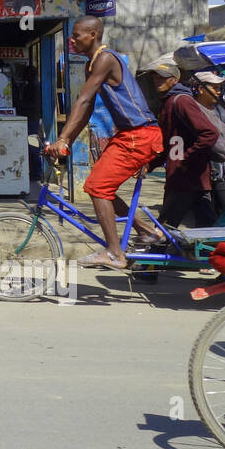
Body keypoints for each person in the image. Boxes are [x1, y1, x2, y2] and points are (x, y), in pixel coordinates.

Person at [44, 17, 163, 269]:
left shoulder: (105, 58)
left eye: (77, 35)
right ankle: (146, 232)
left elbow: (84, 101)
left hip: (138, 135)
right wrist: (65, 142)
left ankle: (114, 253)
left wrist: (63, 138)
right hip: (129, 135)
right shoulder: (93, 64)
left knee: (98, 188)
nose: (72, 40)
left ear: (93, 34)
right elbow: (85, 111)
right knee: (98, 186)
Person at [142, 61, 218, 229]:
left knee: (165, 226)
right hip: (184, 176)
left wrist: (185, 160)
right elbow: (168, 143)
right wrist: (150, 164)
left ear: (174, 80)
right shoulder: (168, 103)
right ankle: (211, 253)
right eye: (155, 77)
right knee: (205, 224)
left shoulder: (181, 101)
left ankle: (157, 250)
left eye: (162, 77)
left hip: (186, 176)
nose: (157, 80)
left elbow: (209, 133)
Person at [192, 70, 225, 216]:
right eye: (215, 88)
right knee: (205, 215)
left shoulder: (223, 113)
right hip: (200, 172)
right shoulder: (190, 111)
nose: (219, 92)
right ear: (201, 89)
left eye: (220, 88)